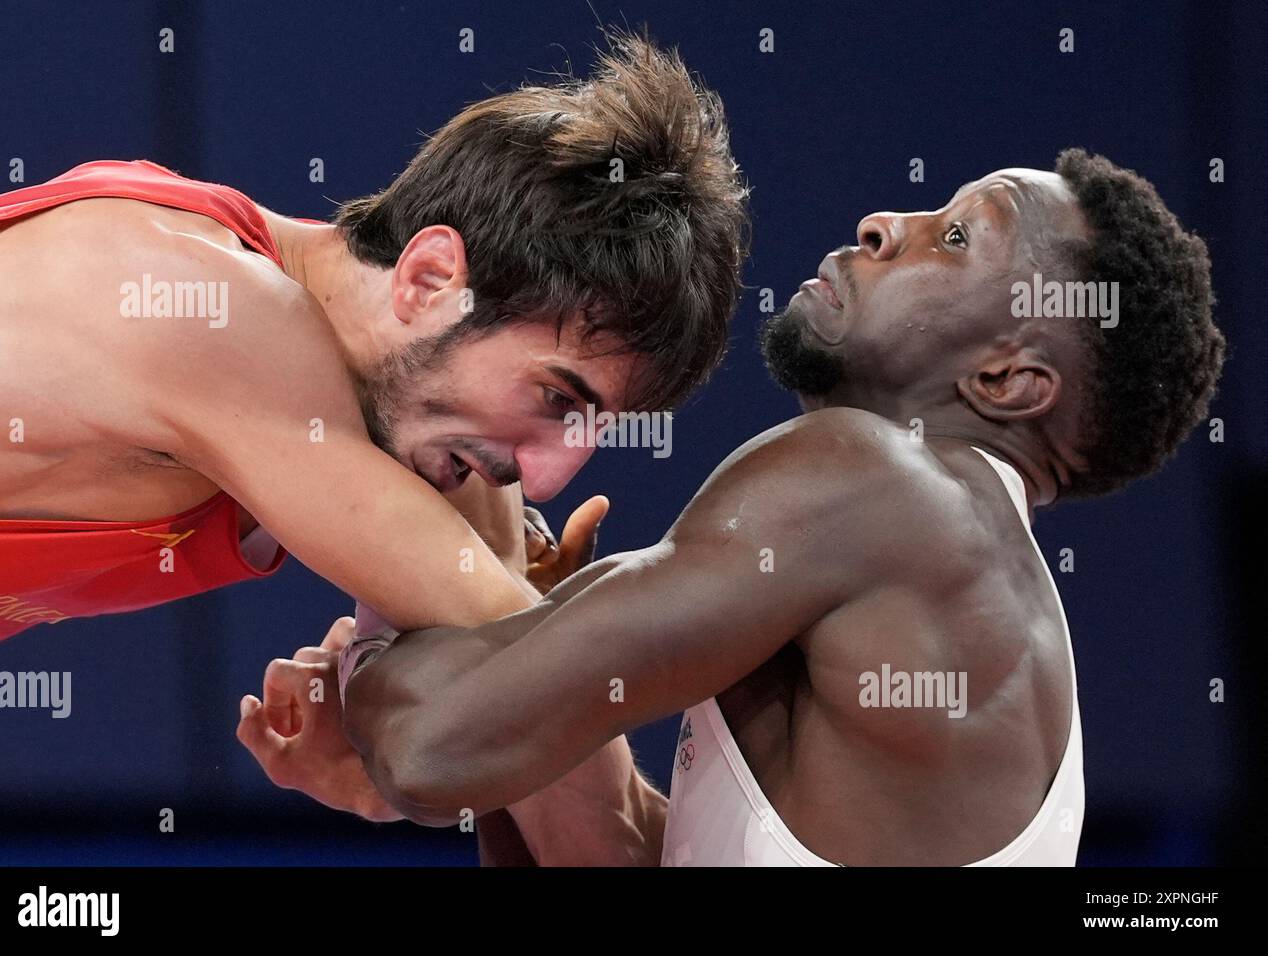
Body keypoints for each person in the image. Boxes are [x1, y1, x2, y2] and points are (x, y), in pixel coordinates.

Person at [307, 151, 1221, 865]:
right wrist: (515, 630)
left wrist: (402, 599)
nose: (883, 224)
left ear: (1008, 379)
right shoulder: (972, 587)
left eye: (954, 238)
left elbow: (432, 750)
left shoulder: (879, 480)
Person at [0, 33, 749, 865]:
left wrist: (415, 758)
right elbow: (555, 701)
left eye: (595, 426)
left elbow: (561, 783)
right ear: (427, 281)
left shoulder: (437, 429)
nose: (548, 474)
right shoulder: (206, 312)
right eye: (556, 399)